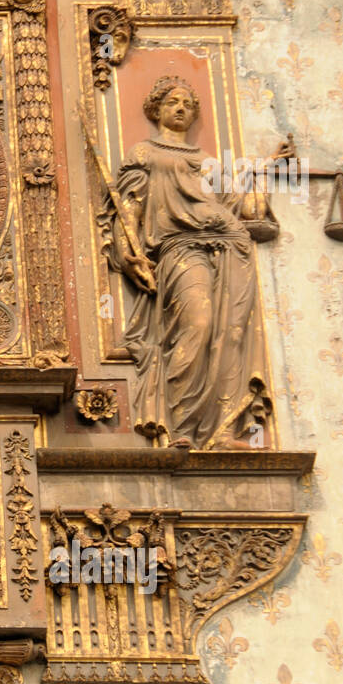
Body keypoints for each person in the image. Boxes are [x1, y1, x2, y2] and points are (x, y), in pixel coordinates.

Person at [102, 75, 272, 450]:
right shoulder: (144, 153)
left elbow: (234, 205)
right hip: (181, 248)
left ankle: (222, 431)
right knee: (198, 323)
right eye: (172, 102)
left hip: (230, 246)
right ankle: (184, 424)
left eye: (188, 104)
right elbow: (129, 207)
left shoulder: (207, 161)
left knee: (229, 334)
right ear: (157, 110)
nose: (181, 109)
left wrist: (264, 173)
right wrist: (129, 253)